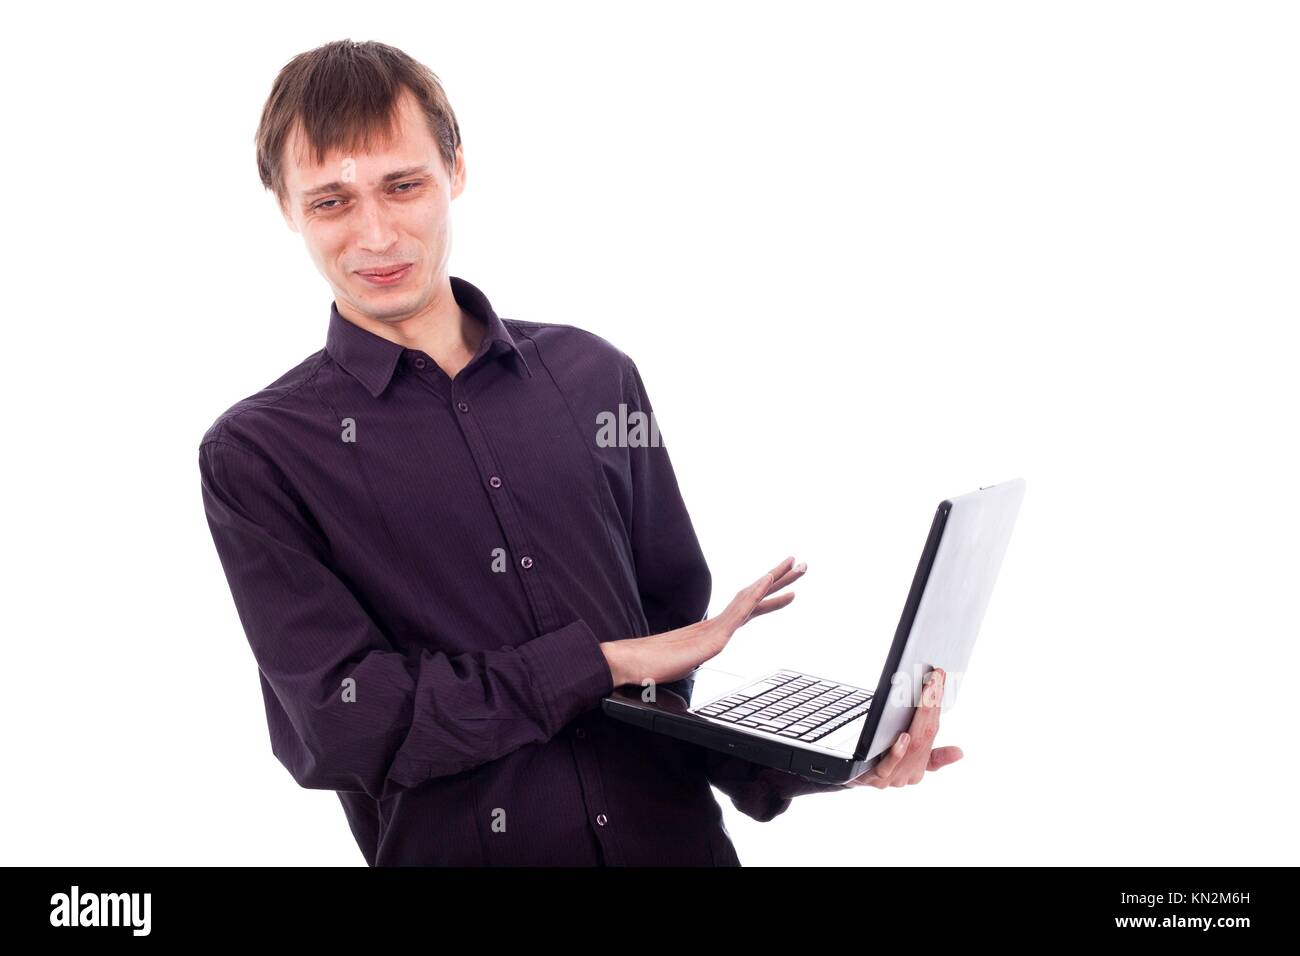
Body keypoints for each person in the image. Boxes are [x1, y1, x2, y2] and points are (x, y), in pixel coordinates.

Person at [198, 38, 962, 866]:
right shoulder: (260, 455)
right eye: (331, 202)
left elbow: (668, 674)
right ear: (284, 207)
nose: (376, 233)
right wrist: (597, 663)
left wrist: (831, 763)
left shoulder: (596, 378)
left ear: (456, 170)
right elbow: (342, 725)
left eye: (402, 185)